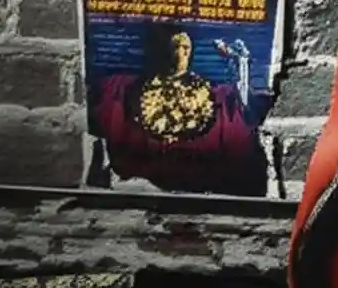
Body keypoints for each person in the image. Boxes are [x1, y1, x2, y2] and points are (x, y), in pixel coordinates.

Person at [95, 25, 268, 196]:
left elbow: (244, 107)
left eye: (186, 48)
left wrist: (243, 65)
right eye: (175, 46)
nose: (181, 53)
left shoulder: (212, 94)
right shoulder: (124, 90)